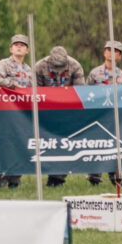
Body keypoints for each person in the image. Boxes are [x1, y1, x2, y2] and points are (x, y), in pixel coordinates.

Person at [34, 45, 85, 187]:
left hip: (66, 111)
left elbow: (80, 93)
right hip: (45, 111)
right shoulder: (39, 67)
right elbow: (34, 91)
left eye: (61, 67)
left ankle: (57, 179)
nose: (58, 71)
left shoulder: (75, 66)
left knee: (63, 145)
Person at [0, 35, 35, 189]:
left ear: (27, 50)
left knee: (21, 144)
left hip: (23, 112)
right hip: (6, 110)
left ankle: (15, 179)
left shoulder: (29, 70)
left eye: (22, 45)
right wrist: (14, 86)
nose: (19, 47)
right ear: (11, 48)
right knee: (5, 144)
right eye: (16, 45)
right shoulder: (4, 64)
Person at [85, 41, 122, 187]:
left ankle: (116, 175)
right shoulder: (94, 73)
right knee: (96, 144)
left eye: (115, 51)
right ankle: (94, 177)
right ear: (104, 53)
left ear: (120, 55)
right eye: (109, 50)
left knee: (115, 145)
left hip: (116, 117)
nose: (111, 53)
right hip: (98, 116)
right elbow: (86, 93)